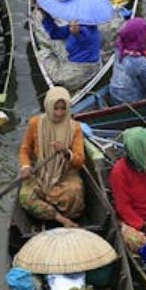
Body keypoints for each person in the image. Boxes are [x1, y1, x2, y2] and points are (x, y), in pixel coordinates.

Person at [18, 86, 86, 227]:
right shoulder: (35, 123)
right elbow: (25, 150)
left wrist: (66, 152)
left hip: (65, 173)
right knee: (26, 197)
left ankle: (65, 216)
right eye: (56, 108)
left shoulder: (75, 128)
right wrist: (26, 166)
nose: (59, 113)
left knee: (75, 192)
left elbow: (79, 162)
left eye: (63, 109)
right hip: (40, 172)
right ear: (48, 106)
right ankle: (62, 220)